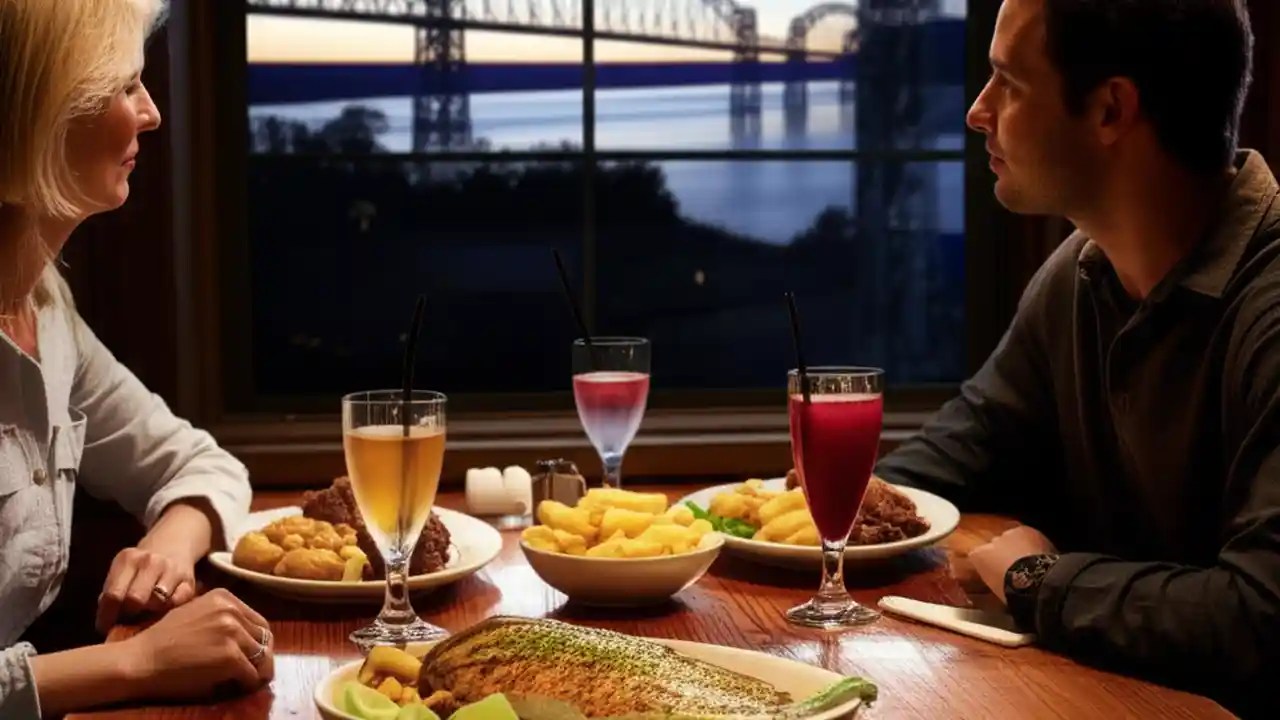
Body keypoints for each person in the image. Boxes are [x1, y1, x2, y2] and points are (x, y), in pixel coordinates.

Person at [874, 0, 1277, 714]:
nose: (977, 111)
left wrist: (1038, 578)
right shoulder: (1080, 271)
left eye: (1008, 82)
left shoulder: (1269, 307)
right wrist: (824, 511)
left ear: (1110, 110)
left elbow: (1260, 617)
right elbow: (963, 448)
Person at [0, 1, 275, 716]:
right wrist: (136, 662)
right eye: (125, 87)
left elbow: (201, 464)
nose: (151, 114)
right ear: (39, 116)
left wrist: (167, 549)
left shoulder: (47, 313)